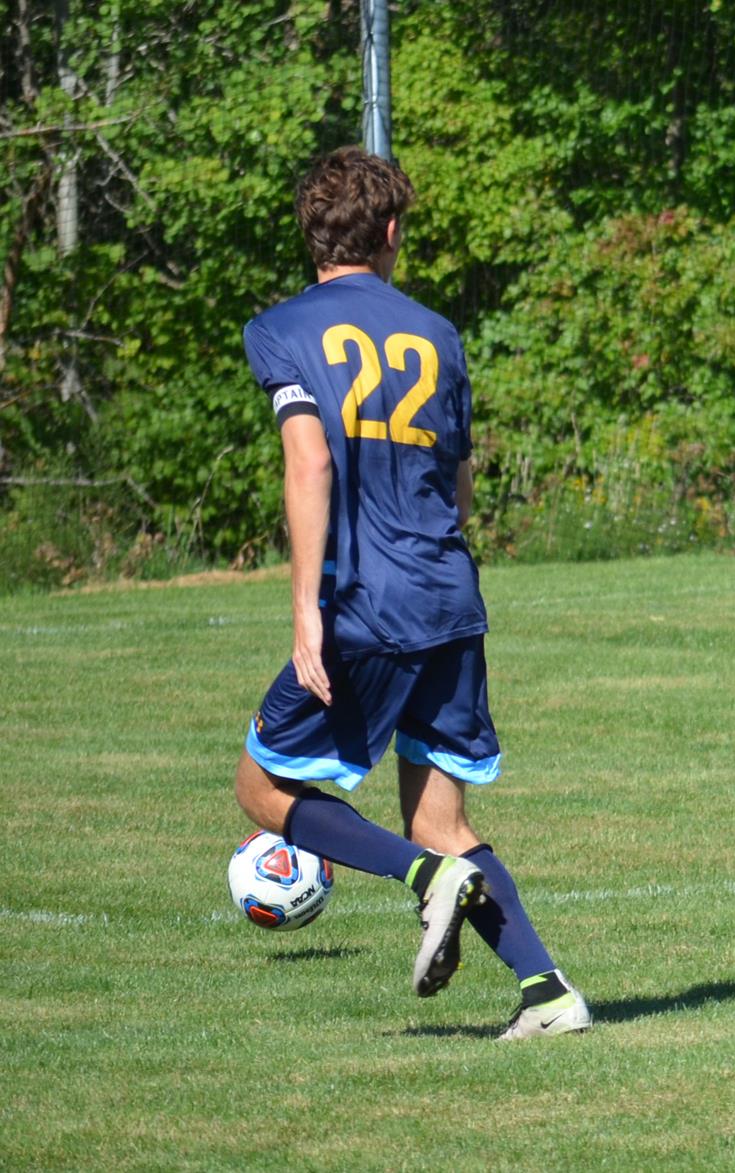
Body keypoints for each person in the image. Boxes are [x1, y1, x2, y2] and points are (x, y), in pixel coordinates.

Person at [233, 146, 592, 1036]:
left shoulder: (279, 328)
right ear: (391, 231)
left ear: (311, 235)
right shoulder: (439, 334)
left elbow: (310, 461)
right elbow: (460, 492)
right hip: (449, 594)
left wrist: (307, 610)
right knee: (440, 816)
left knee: (261, 785)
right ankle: (548, 992)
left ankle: (425, 879)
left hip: (366, 601)